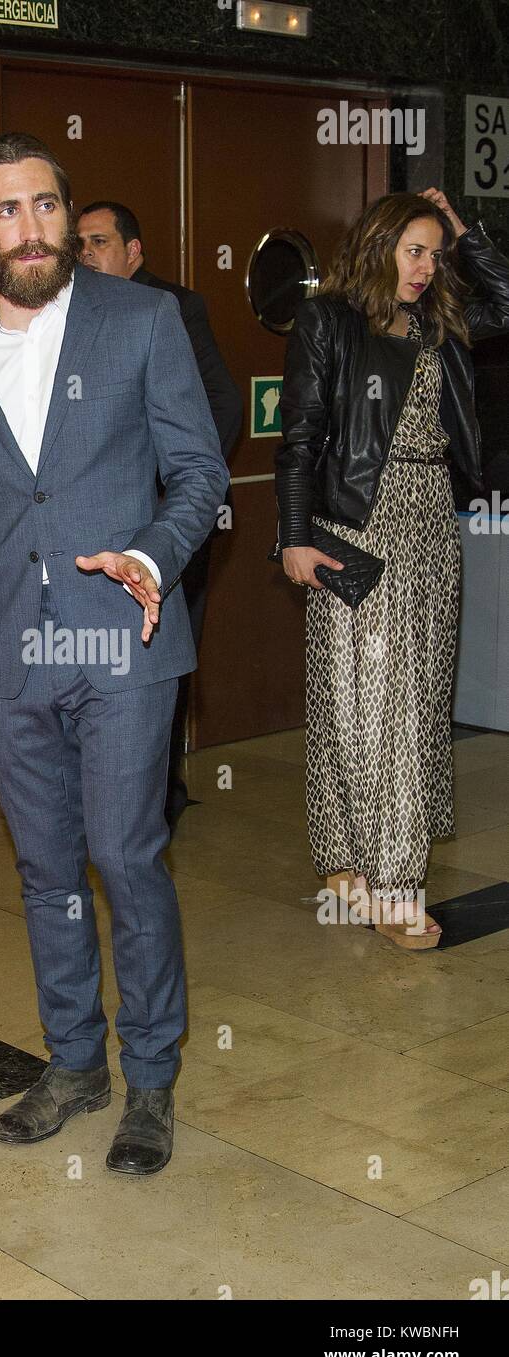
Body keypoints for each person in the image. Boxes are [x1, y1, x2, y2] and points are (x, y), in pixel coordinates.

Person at [0, 133, 229, 1173]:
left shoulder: (142, 321)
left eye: (46, 206)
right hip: (10, 647)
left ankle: (152, 1082)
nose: (31, 227)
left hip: (122, 635)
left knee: (126, 858)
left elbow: (196, 472)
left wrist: (148, 555)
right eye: (6, 211)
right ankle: (73, 1064)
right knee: (46, 870)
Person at [275, 189, 509, 949]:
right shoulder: (328, 321)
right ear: (376, 244)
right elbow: (300, 436)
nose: (425, 267)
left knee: (412, 699)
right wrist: (293, 536)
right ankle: (384, 880)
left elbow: (504, 297)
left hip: (430, 516)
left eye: (434, 254)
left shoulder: (438, 323)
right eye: (414, 250)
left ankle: (366, 867)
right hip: (355, 523)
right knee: (362, 697)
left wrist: (464, 231)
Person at [77, 201, 242, 832]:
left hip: (164, 526)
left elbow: (221, 404)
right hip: (95, 530)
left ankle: (157, 799)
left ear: (135, 251)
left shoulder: (168, 308)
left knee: (158, 658)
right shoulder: (71, 309)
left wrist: (175, 489)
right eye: (80, 242)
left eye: (100, 241)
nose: (87, 253)